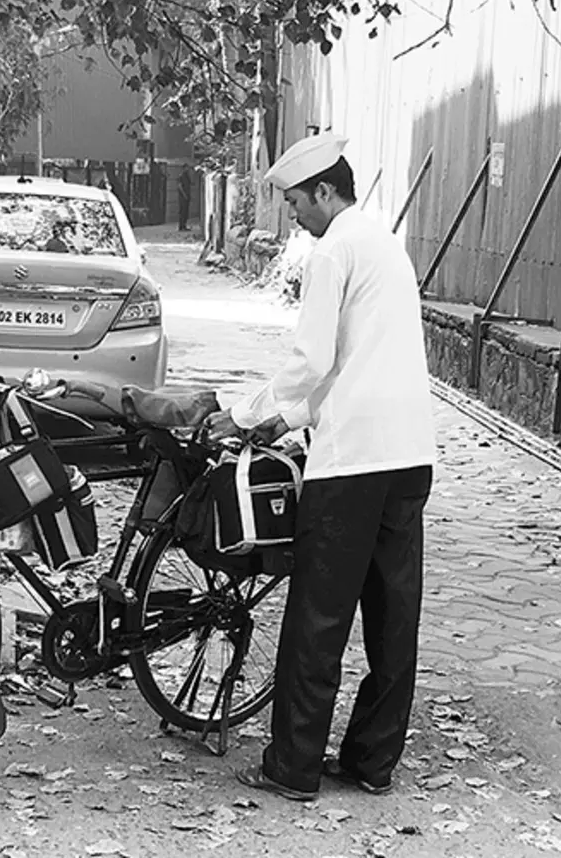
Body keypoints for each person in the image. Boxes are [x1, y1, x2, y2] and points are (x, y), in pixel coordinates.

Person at [207, 132, 436, 802]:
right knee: (394, 619)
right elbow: (355, 359)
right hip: (409, 454)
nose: (293, 217)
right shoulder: (384, 244)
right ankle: (372, 761)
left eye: (296, 201)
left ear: (325, 192)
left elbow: (312, 359)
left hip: (354, 464)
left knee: (318, 617)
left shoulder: (333, 250)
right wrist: (294, 416)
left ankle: (294, 766)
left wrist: (248, 412)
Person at [177, 164, 193, 231]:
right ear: (184, 168)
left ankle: (184, 225)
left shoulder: (187, 176)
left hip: (187, 196)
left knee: (186, 212)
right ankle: (181, 226)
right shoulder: (181, 176)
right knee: (182, 212)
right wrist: (184, 195)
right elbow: (180, 186)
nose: (188, 169)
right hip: (182, 197)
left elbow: (190, 184)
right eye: (187, 168)